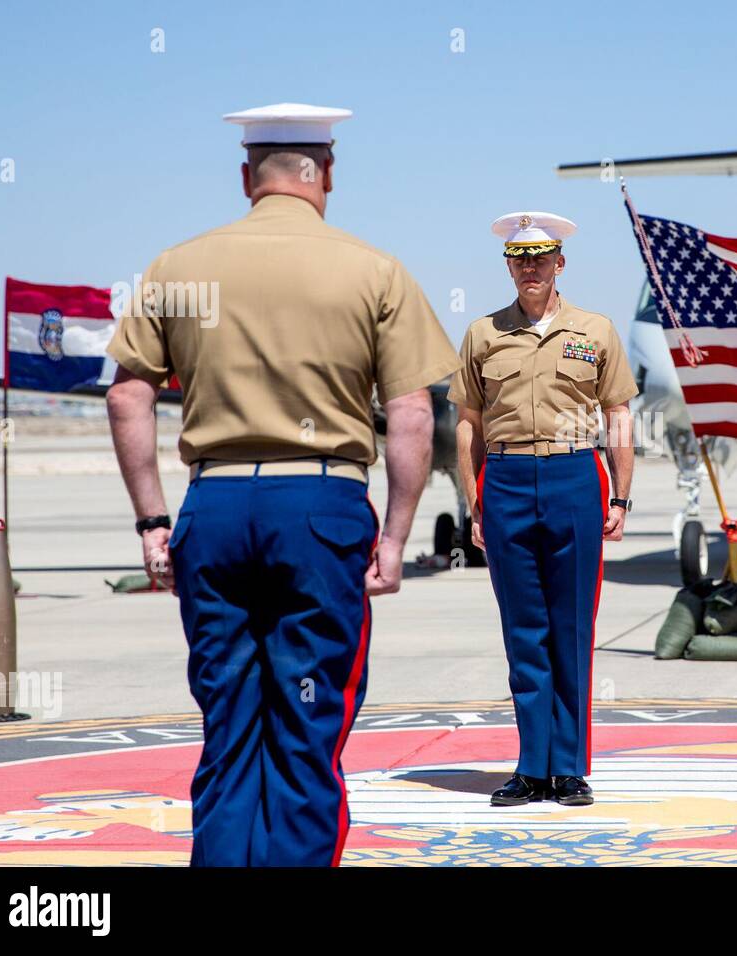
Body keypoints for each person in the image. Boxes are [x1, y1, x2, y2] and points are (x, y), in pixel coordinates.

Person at [105, 102, 460, 865]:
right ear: (326, 173)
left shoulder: (177, 266)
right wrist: (395, 536)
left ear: (247, 178)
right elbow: (411, 416)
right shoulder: (374, 270)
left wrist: (151, 522)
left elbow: (127, 394)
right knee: (307, 732)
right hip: (321, 510)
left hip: (216, 505)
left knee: (229, 729)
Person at [448, 211, 637, 807]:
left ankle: (570, 767)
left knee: (571, 627)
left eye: (541, 256)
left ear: (561, 262)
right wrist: (475, 502)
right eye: (519, 257)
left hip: (575, 476)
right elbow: (467, 425)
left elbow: (619, 417)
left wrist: (621, 494)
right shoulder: (483, 334)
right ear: (508, 266)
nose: (530, 267)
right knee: (523, 630)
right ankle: (532, 767)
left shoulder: (596, 329)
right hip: (504, 478)